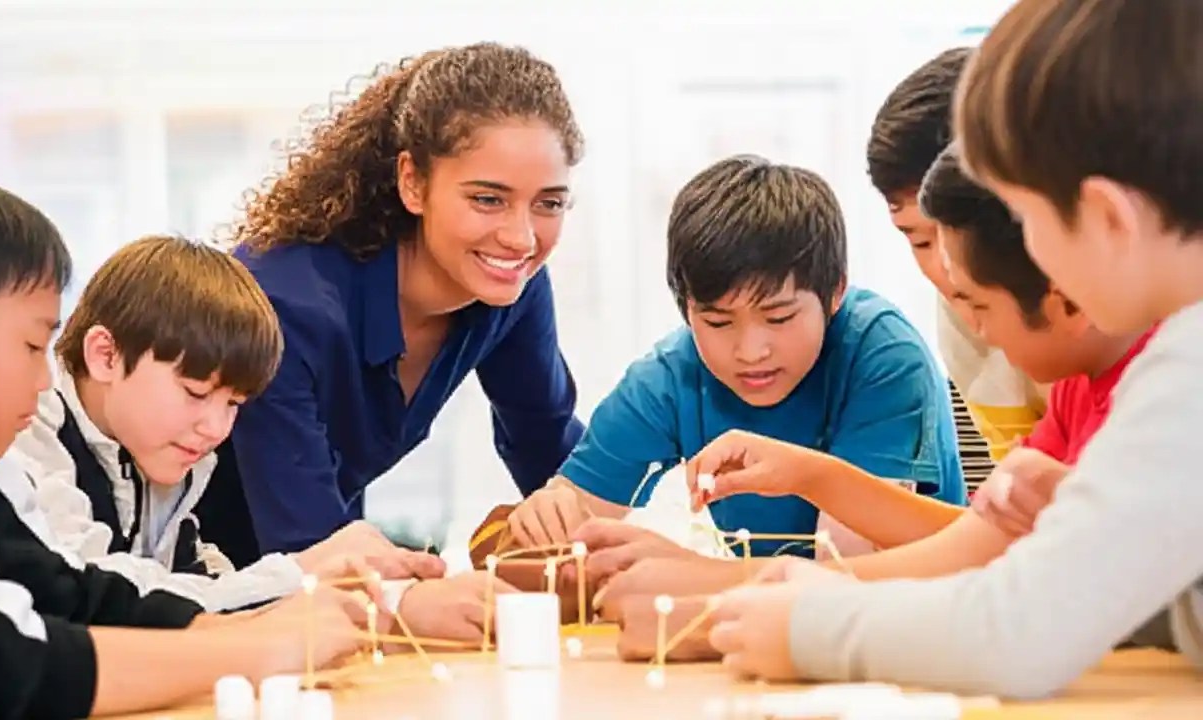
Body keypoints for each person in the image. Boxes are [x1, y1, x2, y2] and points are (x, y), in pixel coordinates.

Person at [707, 0, 1203, 698]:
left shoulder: (1187, 364)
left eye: (1024, 219)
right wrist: (1096, 522)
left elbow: (1019, 634)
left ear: (1105, 218)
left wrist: (805, 627)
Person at [0, 171, 372, 718]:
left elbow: (68, 591)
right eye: (33, 345)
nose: (43, 378)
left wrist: (270, 628)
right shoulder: (22, 440)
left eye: (233, 404)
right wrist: (263, 638)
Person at [199, 42, 587, 563]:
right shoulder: (286, 303)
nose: (521, 238)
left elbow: (549, 447)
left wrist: (620, 542)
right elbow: (308, 547)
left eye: (549, 203)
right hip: (186, 577)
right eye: (487, 199)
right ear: (413, 183)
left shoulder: (509, 286)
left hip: (324, 573)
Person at [506, 155, 964, 569]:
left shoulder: (883, 355)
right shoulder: (671, 375)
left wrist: (694, 576)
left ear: (835, 293)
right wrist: (546, 518)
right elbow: (563, 533)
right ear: (687, 309)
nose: (750, 351)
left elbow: (846, 570)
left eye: (779, 317)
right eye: (718, 322)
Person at [9, 235, 444, 613]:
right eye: (196, 392)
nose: (216, 428)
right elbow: (91, 590)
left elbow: (197, 580)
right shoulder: (24, 434)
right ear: (105, 356)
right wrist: (300, 569)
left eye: (234, 403)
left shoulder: (155, 452)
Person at [868, 47, 1046, 460]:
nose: (946, 270)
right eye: (919, 241)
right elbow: (1018, 489)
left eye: (953, 235)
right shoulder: (961, 317)